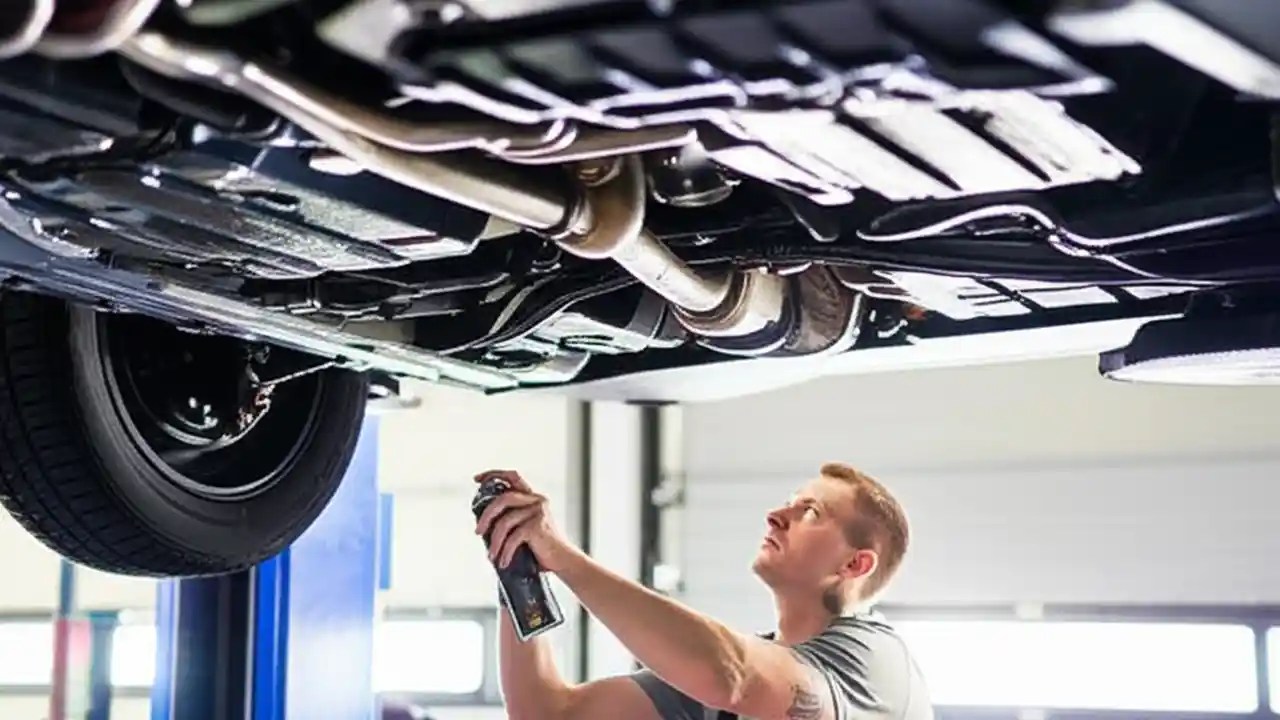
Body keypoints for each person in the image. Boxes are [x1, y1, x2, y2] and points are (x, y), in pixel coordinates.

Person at [473, 462, 932, 720]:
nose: (776, 515)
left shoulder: (877, 661)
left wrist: (565, 557)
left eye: (810, 512)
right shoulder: (725, 683)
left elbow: (734, 677)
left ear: (856, 564)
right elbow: (547, 714)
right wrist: (518, 566)